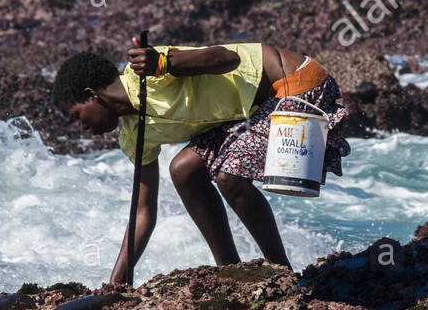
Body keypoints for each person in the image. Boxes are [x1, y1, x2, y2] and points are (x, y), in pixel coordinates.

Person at [52, 40, 350, 284]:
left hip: (299, 85)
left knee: (229, 175)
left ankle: (284, 275)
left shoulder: (152, 72)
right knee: (184, 170)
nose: (82, 129)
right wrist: (117, 283)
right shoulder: (133, 136)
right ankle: (230, 272)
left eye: (77, 117)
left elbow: (227, 58)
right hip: (255, 110)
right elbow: (143, 212)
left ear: (92, 96)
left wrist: (164, 64)